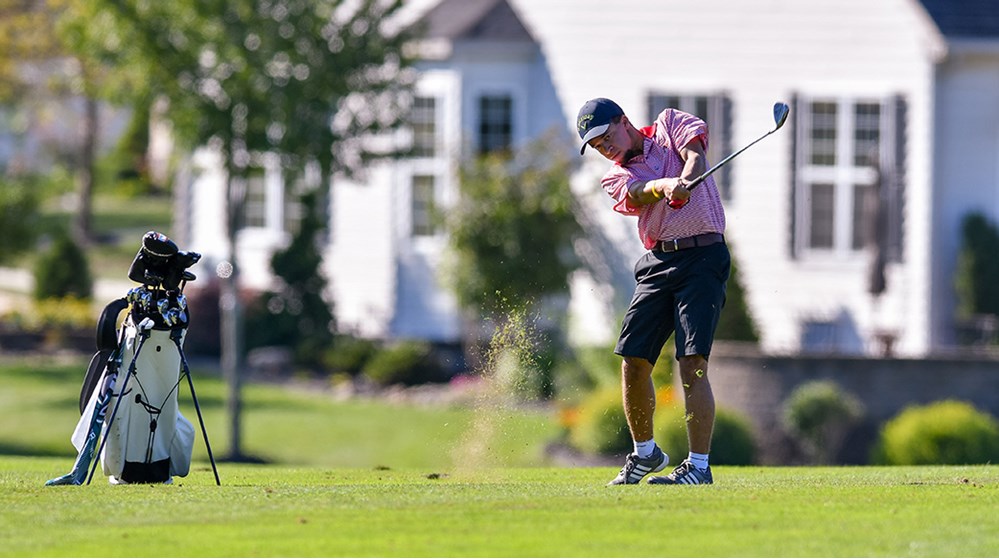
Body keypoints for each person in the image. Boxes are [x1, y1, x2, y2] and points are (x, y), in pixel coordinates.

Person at [577, 97, 730, 485]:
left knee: (692, 363)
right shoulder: (614, 177)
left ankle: (698, 467)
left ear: (623, 121)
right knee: (633, 359)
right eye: (597, 146)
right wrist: (665, 186)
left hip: (703, 256)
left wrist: (685, 181)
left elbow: (694, 156)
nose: (605, 148)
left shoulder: (670, 123)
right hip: (658, 261)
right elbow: (639, 193)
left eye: (606, 137)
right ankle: (645, 454)